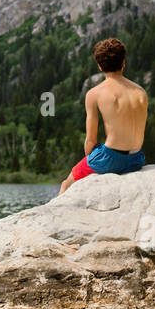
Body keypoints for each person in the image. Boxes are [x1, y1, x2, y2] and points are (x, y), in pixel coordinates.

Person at [58, 37, 147, 195]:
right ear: (123, 62)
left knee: (66, 184)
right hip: (137, 158)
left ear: (99, 66)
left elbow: (90, 140)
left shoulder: (94, 94)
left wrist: (91, 161)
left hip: (110, 158)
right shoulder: (140, 92)